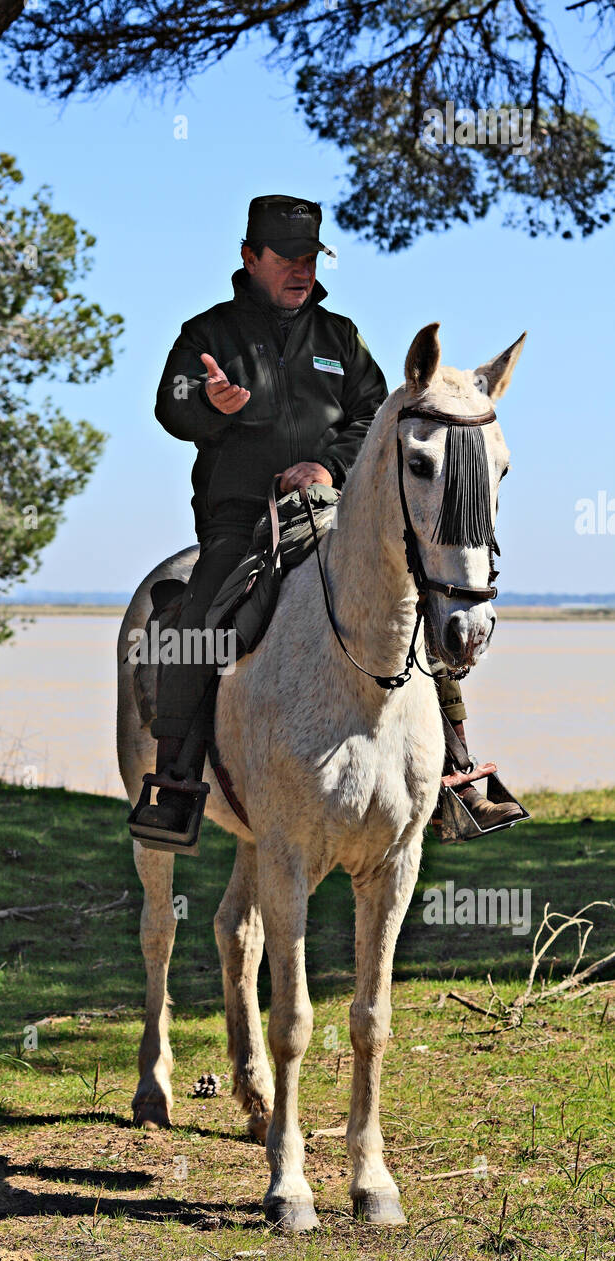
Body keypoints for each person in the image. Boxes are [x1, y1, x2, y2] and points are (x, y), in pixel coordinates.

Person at [131, 194, 520, 839]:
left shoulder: (341, 338)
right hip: (240, 518)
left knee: (416, 594)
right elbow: (171, 406)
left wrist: (327, 469)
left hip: (330, 510)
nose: (301, 270)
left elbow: (377, 419)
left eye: (310, 257)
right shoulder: (207, 333)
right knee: (201, 615)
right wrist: (210, 402)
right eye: (286, 258)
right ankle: (174, 780)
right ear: (250, 257)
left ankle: (455, 768)